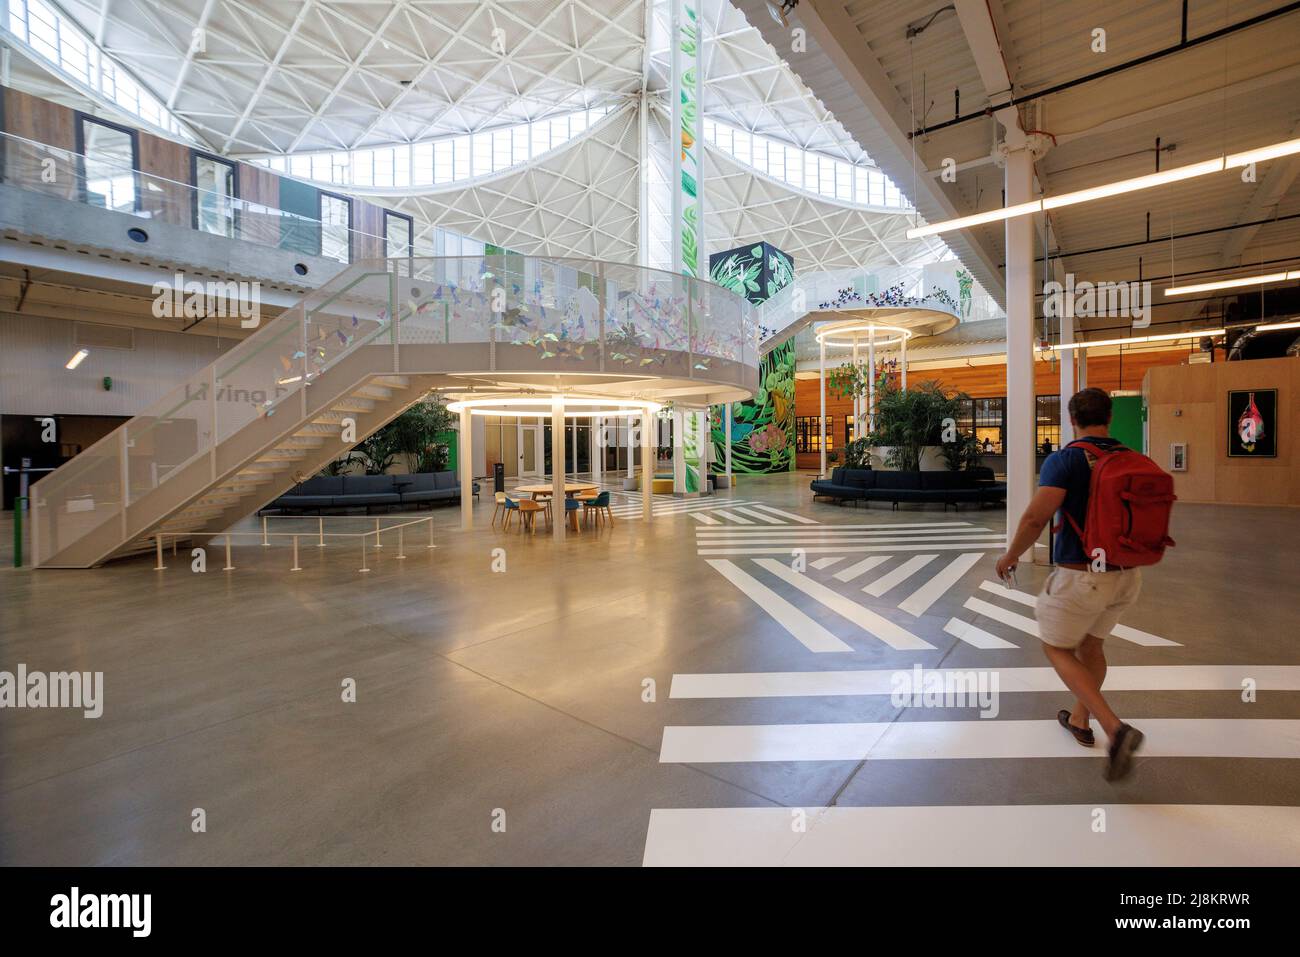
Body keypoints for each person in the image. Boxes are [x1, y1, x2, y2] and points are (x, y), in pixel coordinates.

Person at [995, 387, 1144, 781]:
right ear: (1109, 418)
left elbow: (1034, 519)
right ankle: (1080, 720)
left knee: (1055, 646)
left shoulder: (1066, 460)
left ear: (1072, 419)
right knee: (1091, 644)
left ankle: (1115, 728)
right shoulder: (1131, 458)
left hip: (1082, 575)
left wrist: (1010, 556)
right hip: (1127, 575)